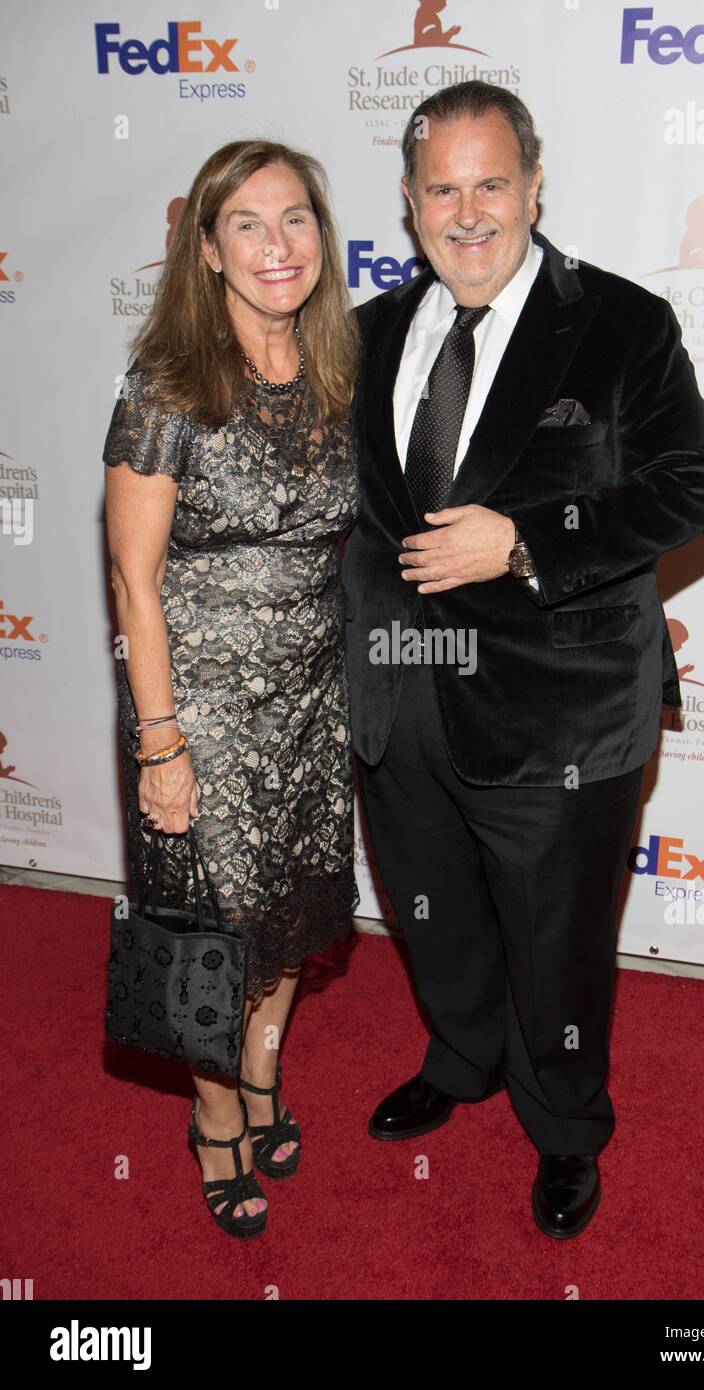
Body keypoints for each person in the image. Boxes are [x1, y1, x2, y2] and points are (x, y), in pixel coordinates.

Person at [342, 81, 704, 1239]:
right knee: (433, 913)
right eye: (441, 190)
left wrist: (522, 540)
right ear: (408, 205)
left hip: (557, 719)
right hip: (400, 697)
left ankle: (563, 1123)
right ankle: (459, 1058)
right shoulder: (359, 334)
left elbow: (684, 489)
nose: (468, 213)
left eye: (490, 183)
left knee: (556, 943)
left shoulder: (618, 323)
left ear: (533, 184)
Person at [103, 139, 360, 1239]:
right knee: (208, 939)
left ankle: (262, 1080)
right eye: (246, 224)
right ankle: (215, 1124)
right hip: (199, 716)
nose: (275, 244)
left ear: (321, 235)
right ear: (206, 250)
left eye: (294, 217)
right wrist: (161, 744)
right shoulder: (167, 389)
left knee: (288, 919)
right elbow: (133, 576)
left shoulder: (337, 374)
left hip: (312, 705)